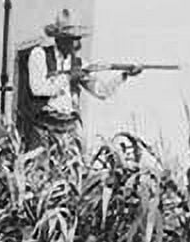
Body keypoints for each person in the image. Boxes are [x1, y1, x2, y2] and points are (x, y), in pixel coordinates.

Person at [24, 8, 142, 149]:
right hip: (43, 128)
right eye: (70, 38)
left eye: (77, 38)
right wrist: (68, 77)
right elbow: (38, 89)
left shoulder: (79, 64)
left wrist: (124, 75)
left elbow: (102, 92)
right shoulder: (39, 55)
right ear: (58, 38)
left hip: (69, 129)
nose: (75, 44)